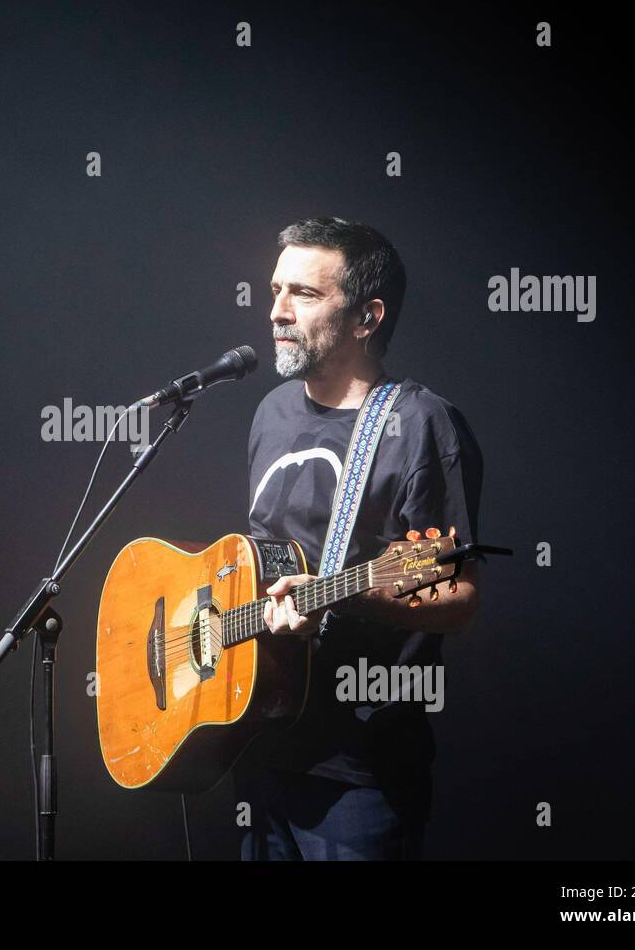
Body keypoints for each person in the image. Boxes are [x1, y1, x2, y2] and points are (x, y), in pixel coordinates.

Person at [237, 216, 483, 860]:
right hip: (258, 741)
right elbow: (259, 556)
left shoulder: (422, 424)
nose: (278, 312)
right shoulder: (274, 412)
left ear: (367, 317)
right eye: (274, 290)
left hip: (358, 773)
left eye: (304, 294)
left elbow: (455, 594)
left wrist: (342, 596)